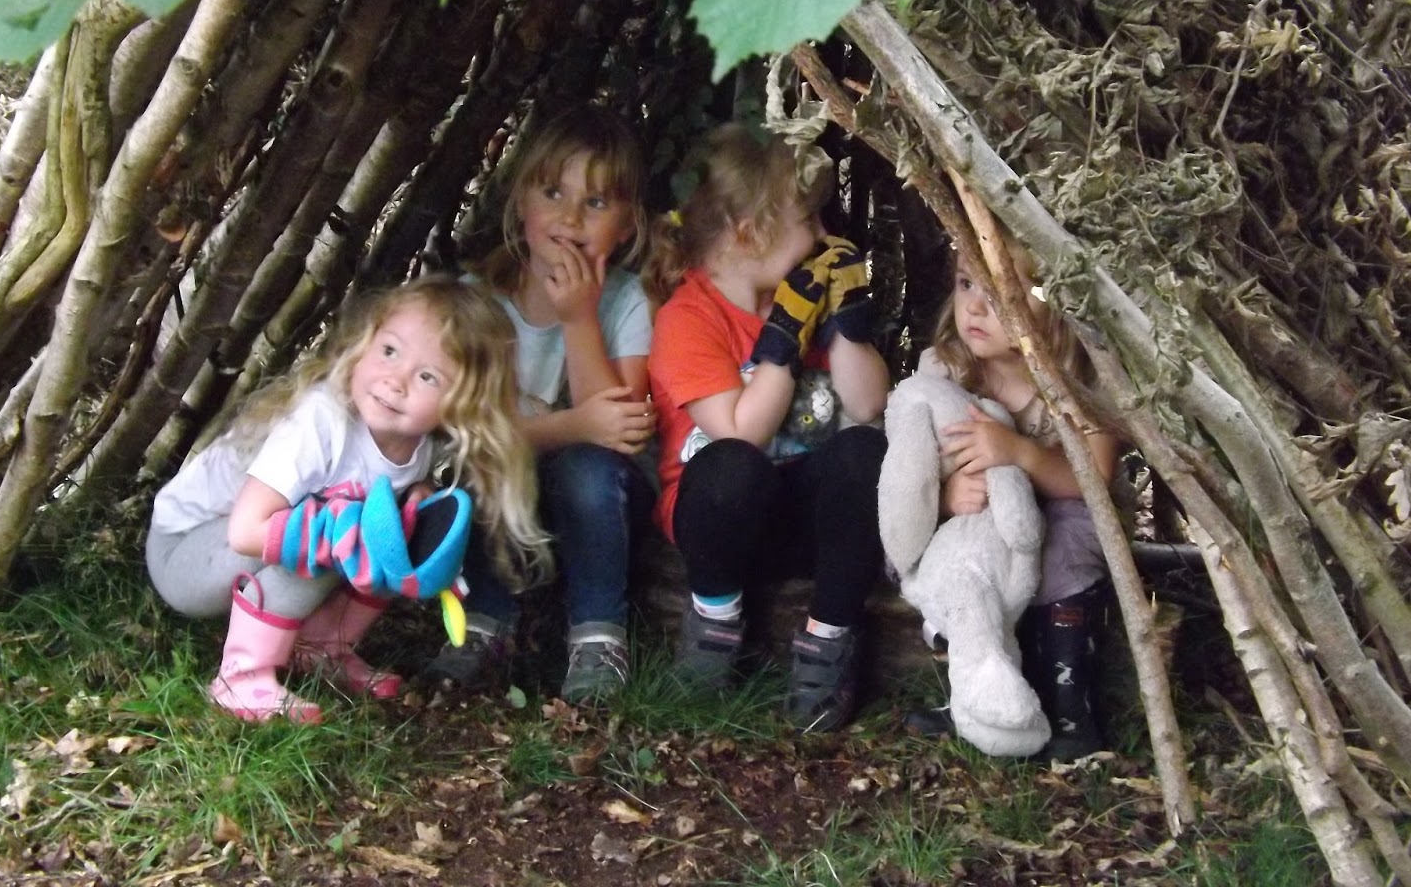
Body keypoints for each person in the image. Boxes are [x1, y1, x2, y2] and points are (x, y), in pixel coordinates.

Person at [146, 278, 548, 723]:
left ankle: (321, 649)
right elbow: (246, 531)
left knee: (387, 534)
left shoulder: (423, 446)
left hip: (229, 552)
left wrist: (411, 516)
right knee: (331, 530)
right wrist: (338, 535)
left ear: (461, 405)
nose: (395, 381)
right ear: (363, 345)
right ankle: (240, 678)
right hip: (183, 554)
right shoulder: (322, 422)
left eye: (428, 376)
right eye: (390, 351)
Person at [646, 124, 890, 733]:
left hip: (800, 519)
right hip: (720, 525)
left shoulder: (808, 295)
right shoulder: (688, 319)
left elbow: (866, 406)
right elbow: (740, 434)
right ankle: (715, 622)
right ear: (750, 233)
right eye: (808, 221)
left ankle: (829, 638)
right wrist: (782, 340)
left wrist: (846, 329)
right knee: (730, 466)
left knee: (867, 452)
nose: (823, 236)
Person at [425, 107, 655, 704]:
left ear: (627, 227)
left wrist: (580, 316)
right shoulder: (481, 302)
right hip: (501, 491)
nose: (571, 218)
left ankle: (598, 636)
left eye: (597, 204)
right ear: (521, 201)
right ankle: (484, 626)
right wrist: (575, 425)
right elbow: (472, 432)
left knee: (587, 466)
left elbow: (621, 432)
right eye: (553, 192)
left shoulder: (628, 302)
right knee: (482, 464)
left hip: (598, 502)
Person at [910, 242, 1123, 759]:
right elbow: (911, 467)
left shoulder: (1080, 381)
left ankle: (1071, 712)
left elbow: (1094, 476)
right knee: (956, 565)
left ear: (1056, 305)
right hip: (979, 521)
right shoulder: (946, 371)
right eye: (966, 285)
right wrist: (944, 497)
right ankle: (973, 698)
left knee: (1060, 554)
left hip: (1062, 510)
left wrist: (1021, 455)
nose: (975, 308)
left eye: (1002, 295)